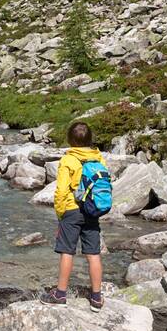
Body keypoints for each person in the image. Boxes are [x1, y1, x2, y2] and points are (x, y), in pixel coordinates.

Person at [41, 121, 105, 309]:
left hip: (71, 209)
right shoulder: (99, 159)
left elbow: (61, 191)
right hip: (92, 210)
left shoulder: (68, 160)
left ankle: (60, 295)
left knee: (67, 251)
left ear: (69, 139)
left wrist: (60, 213)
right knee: (93, 254)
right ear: (90, 139)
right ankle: (96, 298)